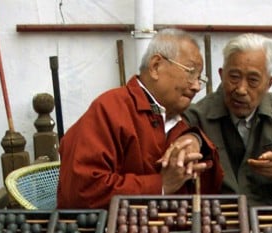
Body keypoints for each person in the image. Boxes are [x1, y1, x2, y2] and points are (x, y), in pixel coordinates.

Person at [57, 28, 223, 210]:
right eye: (191, 73)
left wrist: (197, 141)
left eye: (200, 78)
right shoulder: (111, 109)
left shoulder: (180, 124)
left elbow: (207, 191)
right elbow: (80, 190)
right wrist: (160, 186)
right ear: (156, 66)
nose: (197, 86)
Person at [185, 33, 272, 206]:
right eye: (234, 77)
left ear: (269, 83)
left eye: (253, 80)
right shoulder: (197, 116)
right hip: (218, 221)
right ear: (221, 75)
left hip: (269, 220)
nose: (241, 89)